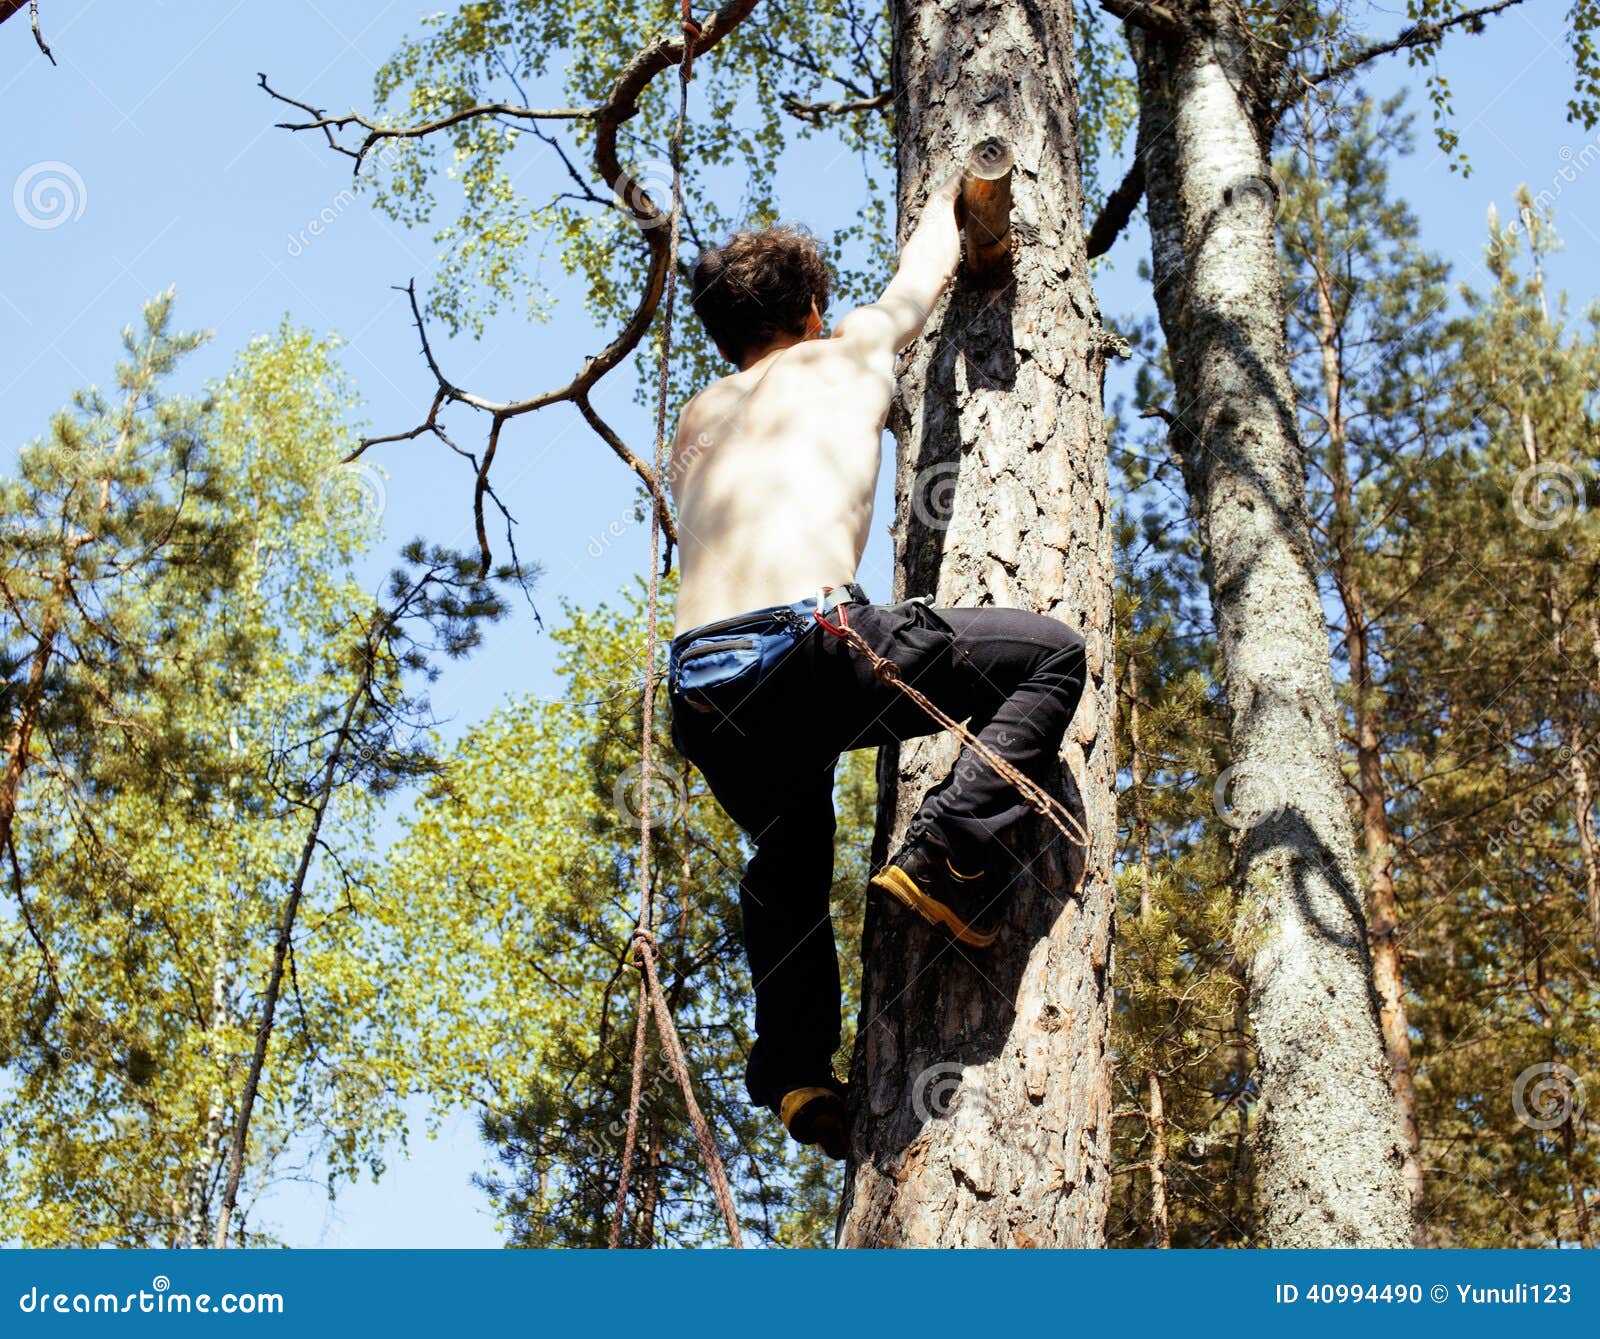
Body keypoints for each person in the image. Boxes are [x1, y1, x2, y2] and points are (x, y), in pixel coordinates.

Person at [664, 173, 1087, 1161]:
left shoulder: (695, 418)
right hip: (811, 646)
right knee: (1051, 656)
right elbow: (919, 279)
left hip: (703, 688)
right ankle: (951, 852)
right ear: (813, 310)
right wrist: (958, 195)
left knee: (789, 851)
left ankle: (796, 1069)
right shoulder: (847, 351)